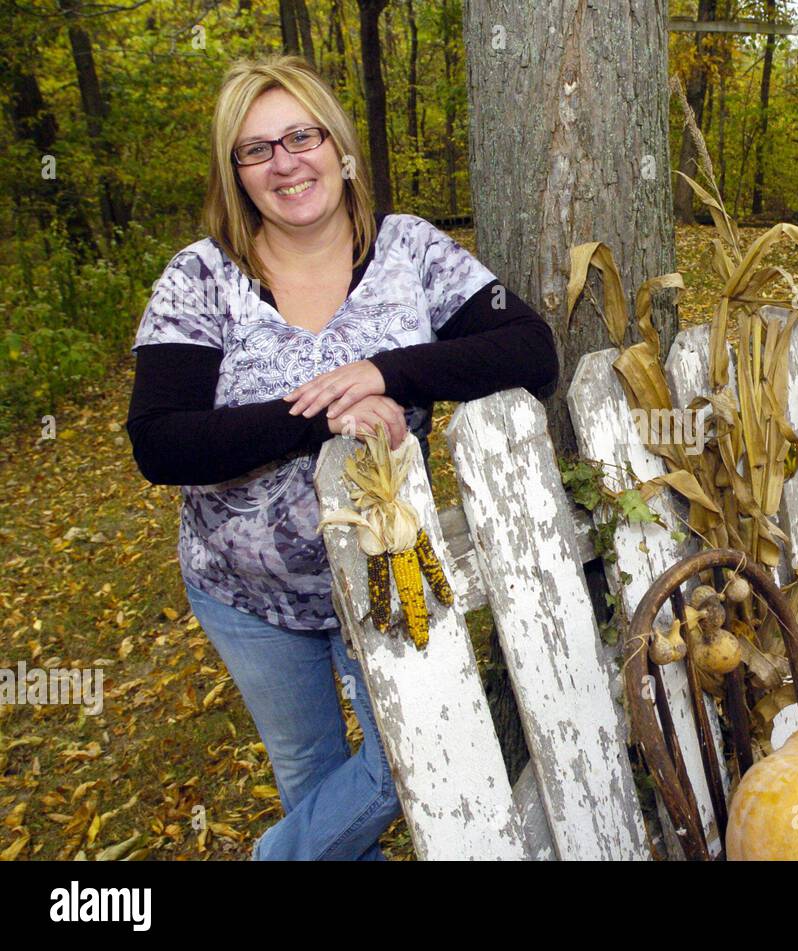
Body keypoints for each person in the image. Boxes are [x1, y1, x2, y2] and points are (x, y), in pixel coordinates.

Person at [126, 55, 559, 860]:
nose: (286, 162)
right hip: (246, 593)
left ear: (341, 145)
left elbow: (534, 350)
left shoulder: (411, 251)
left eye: (302, 135)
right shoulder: (202, 278)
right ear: (236, 174)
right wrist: (327, 415)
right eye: (257, 150)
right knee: (312, 779)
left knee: (408, 762)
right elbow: (161, 439)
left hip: (387, 573)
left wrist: (386, 371)